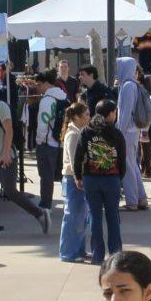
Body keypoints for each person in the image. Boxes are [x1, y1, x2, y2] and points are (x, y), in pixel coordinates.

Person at [0, 78, 50, 237]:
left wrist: (6, 153)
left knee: (10, 192)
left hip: (5, 158)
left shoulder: (0, 106)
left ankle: (40, 213)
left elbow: (9, 130)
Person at [76, 100, 128, 265]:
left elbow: (79, 155)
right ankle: (115, 254)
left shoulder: (86, 131)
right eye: (115, 112)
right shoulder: (116, 133)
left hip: (91, 179)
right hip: (111, 179)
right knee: (113, 217)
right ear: (111, 114)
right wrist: (119, 177)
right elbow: (122, 160)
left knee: (95, 217)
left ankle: (97, 255)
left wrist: (78, 176)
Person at [58, 101, 93, 263]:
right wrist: (78, 177)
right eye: (86, 115)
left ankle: (79, 250)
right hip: (73, 179)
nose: (89, 117)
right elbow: (74, 160)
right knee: (73, 217)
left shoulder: (78, 131)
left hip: (76, 178)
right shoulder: (73, 134)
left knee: (81, 217)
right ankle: (68, 253)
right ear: (77, 117)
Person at [115, 58, 149, 210]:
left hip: (126, 132)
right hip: (133, 131)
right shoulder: (133, 84)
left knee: (127, 166)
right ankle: (141, 198)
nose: (117, 70)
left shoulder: (127, 86)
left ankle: (132, 201)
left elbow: (125, 113)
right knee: (132, 165)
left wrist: (118, 133)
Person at [33, 69, 68, 210]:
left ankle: (45, 204)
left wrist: (39, 140)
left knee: (46, 176)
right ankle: (69, 202)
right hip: (62, 142)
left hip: (47, 143)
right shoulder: (65, 97)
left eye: (39, 85)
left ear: (46, 83)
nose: (38, 88)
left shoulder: (47, 100)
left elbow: (43, 124)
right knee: (64, 175)